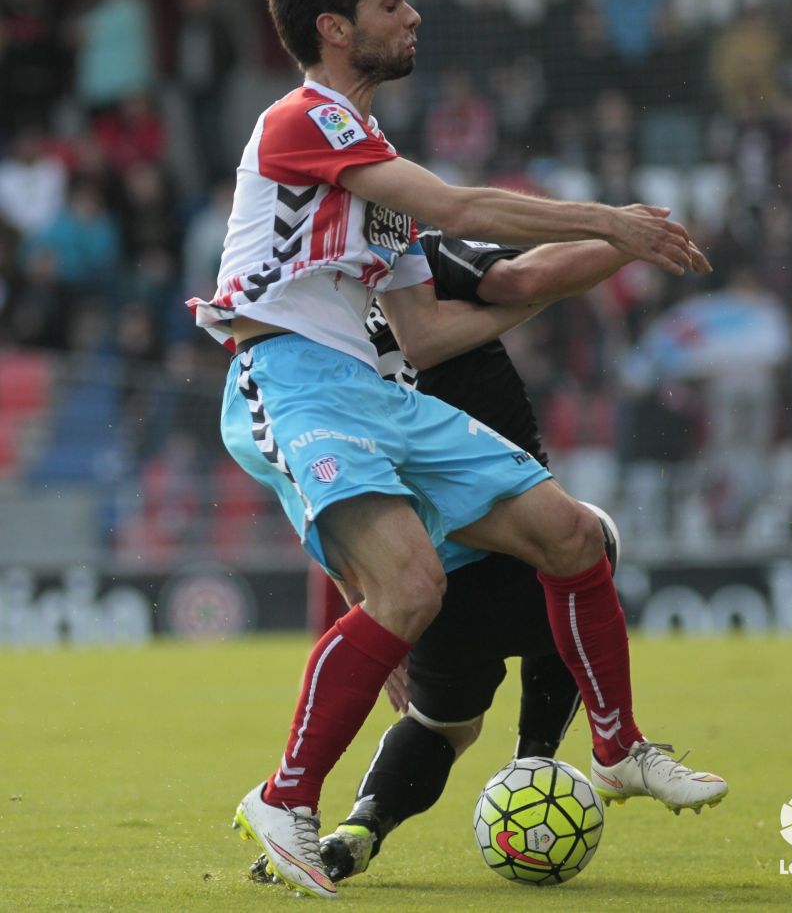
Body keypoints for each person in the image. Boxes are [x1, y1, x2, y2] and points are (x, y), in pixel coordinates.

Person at [188, 0, 722, 899]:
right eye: (391, 2)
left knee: (572, 534)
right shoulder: (301, 120)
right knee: (409, 587)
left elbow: (428, 332)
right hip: (291, 377)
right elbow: (458, 207)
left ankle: (617, 748)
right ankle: (285, 796)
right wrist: (609, 220)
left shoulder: (369, 168)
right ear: (334, 27)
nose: (413, 14)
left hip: (373, 389)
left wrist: (575, 272)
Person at [245, 228, 720, 889]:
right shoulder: (417, 258)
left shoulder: (328, 305)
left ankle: (360, 828)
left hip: (429, 581)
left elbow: (328, 499)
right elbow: (526, 277)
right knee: (584, 544)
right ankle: (544, 762)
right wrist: (623, 236)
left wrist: (369, 608)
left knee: (445, 721)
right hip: (480, 567)